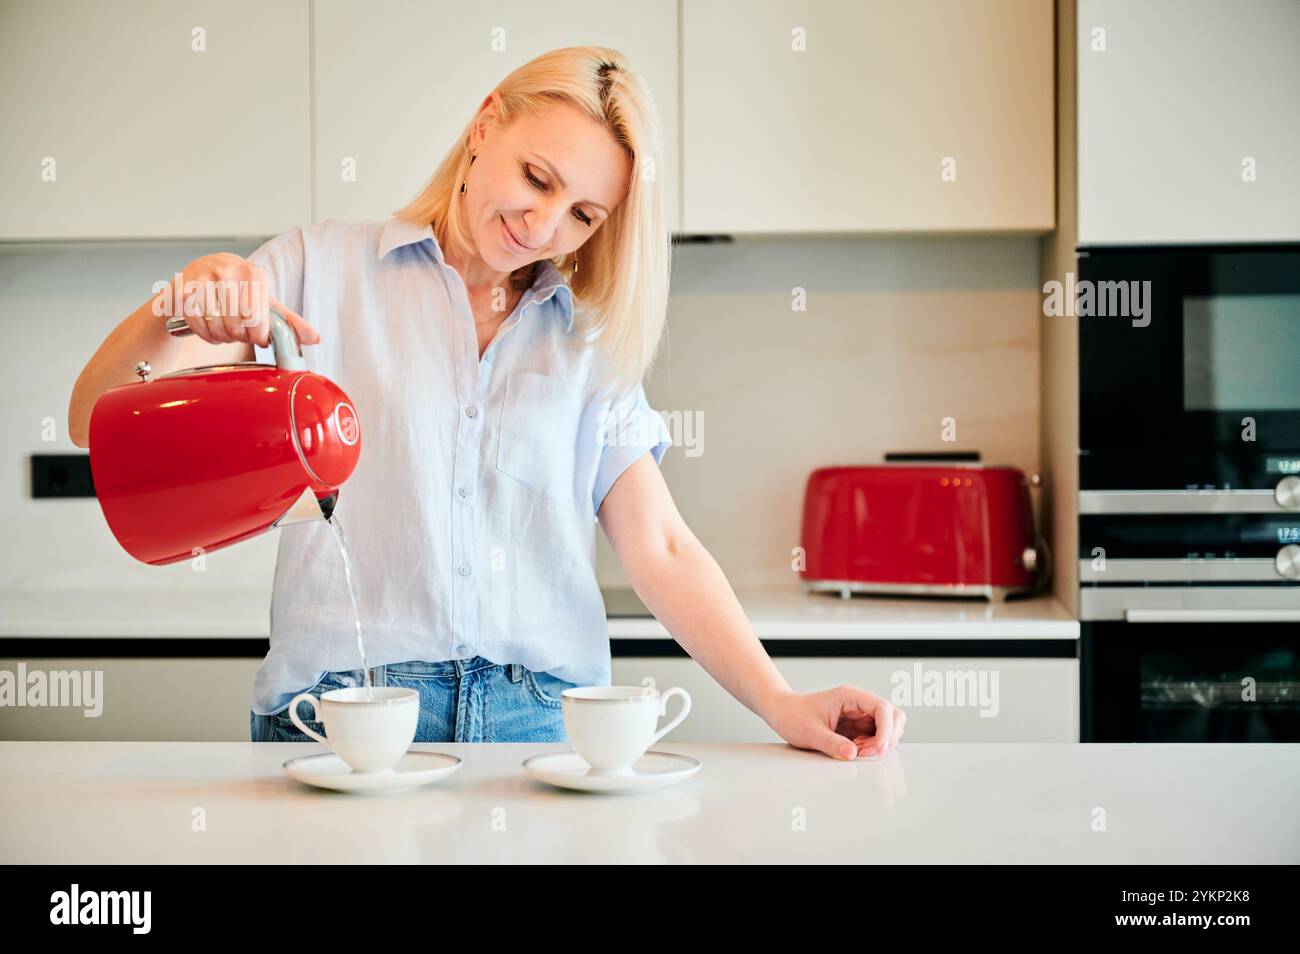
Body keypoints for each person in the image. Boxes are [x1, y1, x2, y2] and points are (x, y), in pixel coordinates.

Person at [68, 46, 905, 760]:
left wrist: (782, 703)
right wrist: (180, 304)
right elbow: (92, 424)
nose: (542, 227)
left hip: (545, 727)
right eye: (536, 178)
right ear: (482, 127)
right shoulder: (315, 272)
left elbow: (665, 549)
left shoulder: (584, 344)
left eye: (582, 213)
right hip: (344, 720)